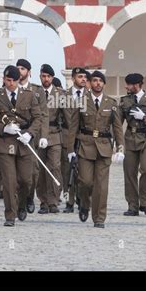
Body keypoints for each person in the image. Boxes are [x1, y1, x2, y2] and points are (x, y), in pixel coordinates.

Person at [0, 65, 42, 227]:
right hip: (5, 144)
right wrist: (3, 128)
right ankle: (10, 215)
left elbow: (38, 118)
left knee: (25, 180)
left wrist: (30, 133)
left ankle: (22, 204)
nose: (9, 83)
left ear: (19, 81)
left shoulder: (29, 96)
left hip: (24, 143)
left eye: (13, 81)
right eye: (7, 80)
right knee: (9, 182)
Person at [67, 71, 125, 228]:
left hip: (104, 148)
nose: (98, 83)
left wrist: (120, 148)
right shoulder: (81, 101)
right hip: (85, 146)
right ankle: (85, 203)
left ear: (104, 84)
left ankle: (99, 218)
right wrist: (70, 149)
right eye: (95, 80)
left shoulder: (111, 103)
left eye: (100, 81)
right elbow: (73, 126)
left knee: (101, 186)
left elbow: (117, 128)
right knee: (85, 182)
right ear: (89, 83)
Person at [119, 73, 146, 217]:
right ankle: (132, 206)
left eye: (128, 84)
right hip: (131, 138)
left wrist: (145, 117)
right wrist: (116, 143)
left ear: (136, 85)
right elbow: (118, 123)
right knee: (130, 173)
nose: (126, 87)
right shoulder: (124, 101)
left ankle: (145, 203)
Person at [16, 58, 49, 214]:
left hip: (32, 134)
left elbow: (43, 115)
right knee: (15, 172)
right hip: (14, 134)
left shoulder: (37, 91)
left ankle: (29, 196)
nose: (20, 71)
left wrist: (43, 136)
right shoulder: (10, 88)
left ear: (29, 72)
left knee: (33, 172)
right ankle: (18, 202)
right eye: (18, 68)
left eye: (23, 68)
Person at [36, 64, 69, 214]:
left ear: (53, 78)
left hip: (55, 134)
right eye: (43, 76)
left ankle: (53, 201)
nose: (46, 79)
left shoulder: (61, 94)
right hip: (38, 135)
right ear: (40, 77)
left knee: (55, 167)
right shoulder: (35, 93)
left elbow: (68, 118)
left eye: (48, 77)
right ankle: (43, 201)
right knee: (40, 168)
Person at [62, 67, 88, 213]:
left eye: (84, 76)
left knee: (83, 171)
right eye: (80, 76)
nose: (83, 79)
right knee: (68, 170)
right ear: (73, 79)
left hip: (84, 136)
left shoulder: (90, 96)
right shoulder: (63, 96)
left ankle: (82, 200)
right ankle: (69, 201)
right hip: (67, 135)